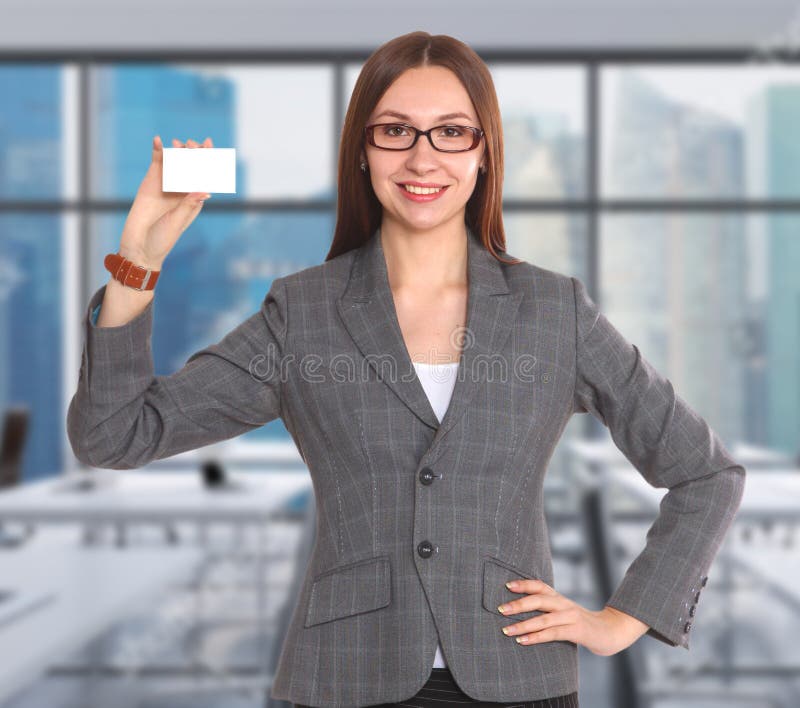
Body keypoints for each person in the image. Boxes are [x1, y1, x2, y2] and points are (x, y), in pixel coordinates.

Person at [67, 31, 746, 708]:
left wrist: (620, 621)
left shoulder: (553, 310)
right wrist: (139, 260)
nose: (423, 156)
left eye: (452, 132)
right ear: (362, 152)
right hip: (345, 677)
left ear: (484, 154)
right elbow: (116, 435)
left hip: (518, 678)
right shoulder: (303, 311)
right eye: (395, 130)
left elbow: (706, 473)